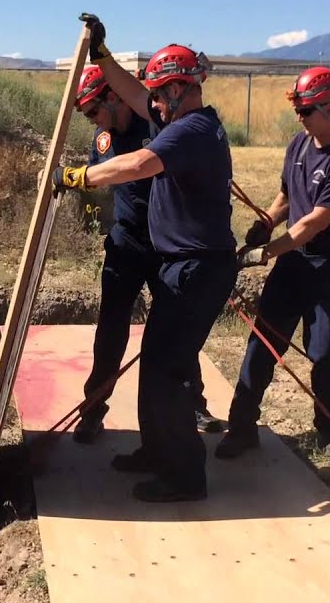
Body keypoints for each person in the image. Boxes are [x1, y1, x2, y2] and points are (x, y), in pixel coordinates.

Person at [52, 17, 236, 502]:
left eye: (159, 95)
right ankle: (158, 453)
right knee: (158, 365)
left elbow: (136, 164)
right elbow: (132, 93)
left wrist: (76, 177)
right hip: (185, 266)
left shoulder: (190, 130)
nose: (150, 104)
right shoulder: (183, 119)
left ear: (179, 89)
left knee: (167, 373)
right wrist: (103, 57)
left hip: (196, 269)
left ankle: (184, 477)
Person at [213, 66, 330, 460]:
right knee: (262, 343)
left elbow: (313, 223)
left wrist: (264, 254)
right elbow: (286, 199)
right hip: (295, 263)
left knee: (325, 350)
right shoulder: (298, 146)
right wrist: (264, 223)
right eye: (298, 110)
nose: (300, 117)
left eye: (307, 110)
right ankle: (242, 426)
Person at [69, 64, 225, 445]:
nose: (93, 121)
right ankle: (93, 410)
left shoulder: (154, 127)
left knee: (172, 336)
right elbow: (104, 176)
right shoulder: (104, 138)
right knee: (110, 332)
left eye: (93, 111)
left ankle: (193, 405)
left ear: (113, 97)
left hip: (164, 246)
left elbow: (138, 165)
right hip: (126, 243)